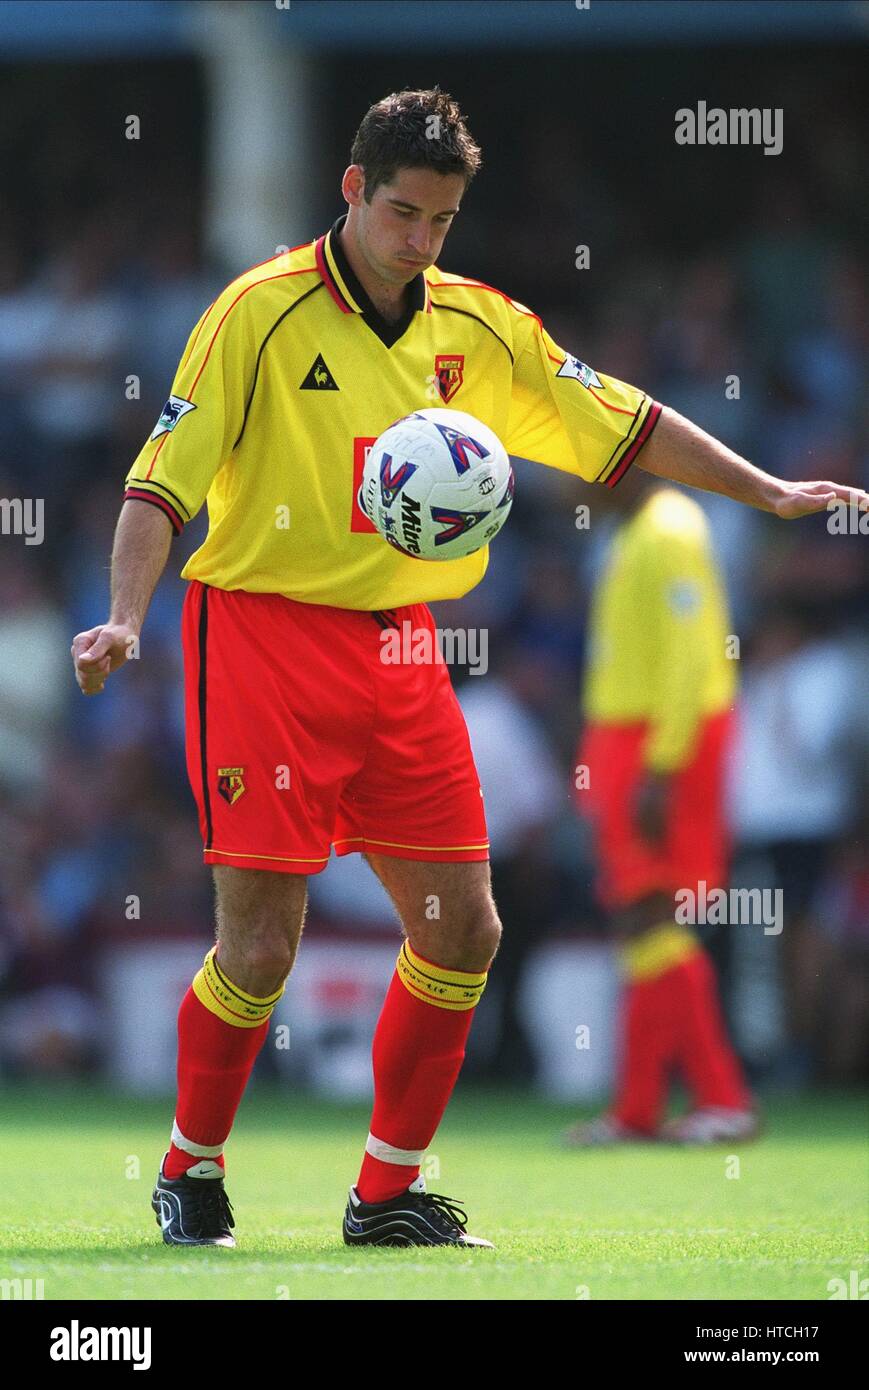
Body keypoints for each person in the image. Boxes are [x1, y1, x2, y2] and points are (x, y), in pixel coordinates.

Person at [70, 88, 867, 1248]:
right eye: (400, 214)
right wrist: (124, 617)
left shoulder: (478, 327)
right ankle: (190, 1167)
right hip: (258, 636)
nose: (419, 240)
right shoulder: (256, 313)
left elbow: (621, 421)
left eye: (440, 222)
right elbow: (159, 482)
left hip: (399, 642)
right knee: (258, 946)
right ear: (350, 190)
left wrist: (769, 490)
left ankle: (385, 1193)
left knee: (463, 930)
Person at [565, 476, 756, 1146]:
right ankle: (638, 1110)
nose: (564, 480)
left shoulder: (669, 531)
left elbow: (689, 653)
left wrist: (661, 763)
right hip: (631, 738)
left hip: (656, 741)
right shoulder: (637, 530)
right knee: (639, 922)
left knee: (654, 913)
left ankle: (723, 1100)